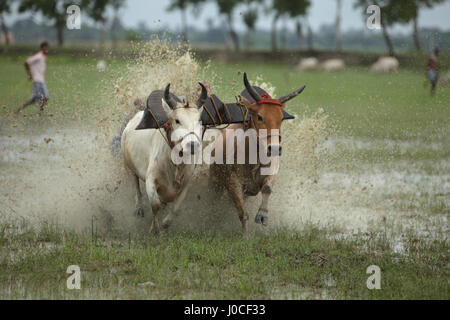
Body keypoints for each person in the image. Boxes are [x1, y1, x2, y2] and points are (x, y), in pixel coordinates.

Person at [15, 42, 50, 115]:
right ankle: (40, 113)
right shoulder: (38, 56)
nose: (46, 49)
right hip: (38, 80)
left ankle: (18, 110)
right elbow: (26, 63)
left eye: (47, 48)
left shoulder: (43, 57)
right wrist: (29, 74)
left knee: (35, 99)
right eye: (45, 48)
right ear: (41, 48)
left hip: (41, 80)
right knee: (45, 97)